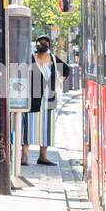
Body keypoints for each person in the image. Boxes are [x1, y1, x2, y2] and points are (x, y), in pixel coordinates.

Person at [23, 34, 70, 166]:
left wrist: (60, 80)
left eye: (45, 43)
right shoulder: (30, 59)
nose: (42, 45)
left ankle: (42, 157)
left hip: (49, 99)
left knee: (46, 128)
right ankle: (24, 156)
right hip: (33, 99)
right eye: (40, 42)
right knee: (28, 127)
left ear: (49, 45)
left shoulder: (53, 59)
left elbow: (67, 70)